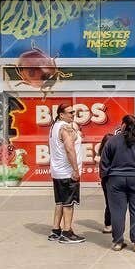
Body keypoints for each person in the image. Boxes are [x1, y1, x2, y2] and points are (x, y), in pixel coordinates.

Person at [99, 113, 135, 252]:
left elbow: (104, 162)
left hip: (115, 180)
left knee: (117, 211)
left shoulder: (112, 141)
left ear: (123, 125)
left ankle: (118, 242)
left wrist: (106, 178)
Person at [47, 103, 86, 244]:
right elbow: (70, 149)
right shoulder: (65, 128)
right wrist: (75, 170)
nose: (73, 114)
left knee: (60, 202)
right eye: (70, 112)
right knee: (69, 203)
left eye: (73, 112)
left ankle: (55, 230)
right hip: (67, 172)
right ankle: (67, 232)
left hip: (57, 171)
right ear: (61, 114)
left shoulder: (54, 127)